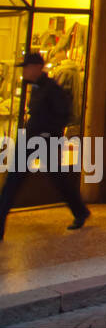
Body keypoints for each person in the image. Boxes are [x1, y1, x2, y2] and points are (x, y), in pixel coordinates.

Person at [0, 52, 90, 242]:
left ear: (36, 68)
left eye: (26, 67)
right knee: (16, 181)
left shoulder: (52, 89)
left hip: (43, 141)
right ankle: (80, 210)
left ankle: (80, 210)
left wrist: (49, 136)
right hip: (33, 140)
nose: (24, 71)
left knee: (50, 179)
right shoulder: (36, 87)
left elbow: (64, 114)